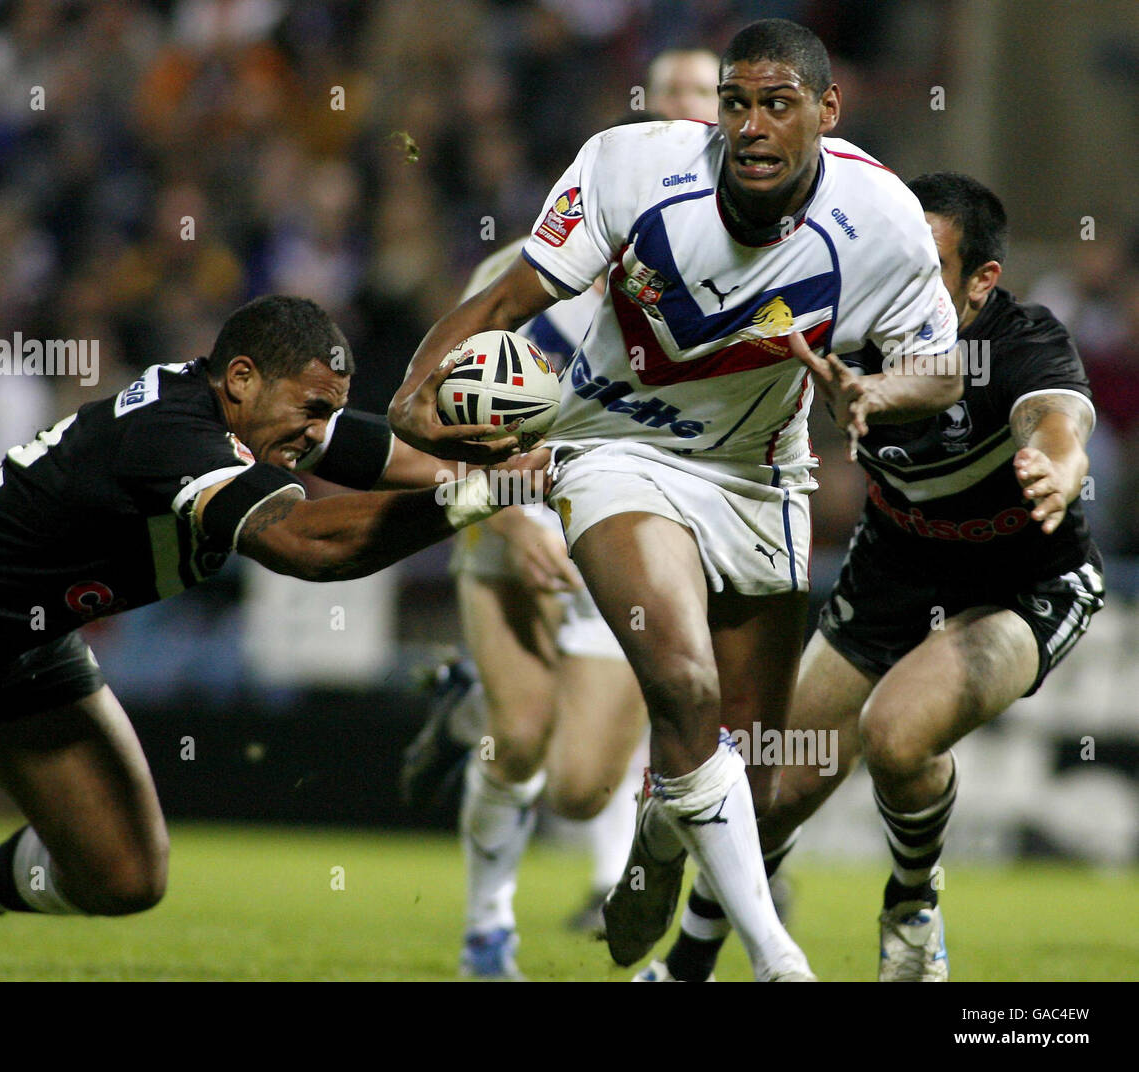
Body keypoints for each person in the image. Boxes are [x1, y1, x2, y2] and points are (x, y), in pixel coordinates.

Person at [389, 18, 963, 981]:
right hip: (615, 450)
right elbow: (499, 305)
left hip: (757, 474)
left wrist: (876, 391)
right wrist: (416, 391)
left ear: (826, 111)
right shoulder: (623, 172)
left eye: (772, 103)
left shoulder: (885, 222)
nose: (744, 124)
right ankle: (776, 959)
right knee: (679, 690)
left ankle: (657, 841)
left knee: (743, 765)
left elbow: (940, 369)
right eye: (732, 102)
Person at [0, 294, 545, 982]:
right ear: (240, 378)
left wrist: (509, 471)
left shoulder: (254, 412)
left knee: (124, 874)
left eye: (328, 411)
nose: (316, 433)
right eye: (312, 410)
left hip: (22, 641)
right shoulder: (173, 431)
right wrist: (477, 495)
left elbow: (381, 453)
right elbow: (307, 547)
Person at [644, 173, 1104, 982]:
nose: (900, 281)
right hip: (895, 575)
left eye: (925, 264)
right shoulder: (841, 323)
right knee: (771, 789)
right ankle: (688, 963)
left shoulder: (1019, 342)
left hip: (1023, 586)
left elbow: (1058, 421)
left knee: (896, 733)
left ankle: (912, 914)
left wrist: (1059, 468)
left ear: (981, 281)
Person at [405, 50, 723, 980]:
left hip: (628, 529)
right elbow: (438, 407)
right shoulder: (536, 259)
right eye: (664, 94)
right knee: (522, 739)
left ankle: (466, 709)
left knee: (583, 791)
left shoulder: (729, 271)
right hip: (517, 519)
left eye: (699, 97)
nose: (678, 112)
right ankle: (485, 932)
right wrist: (503, 517)